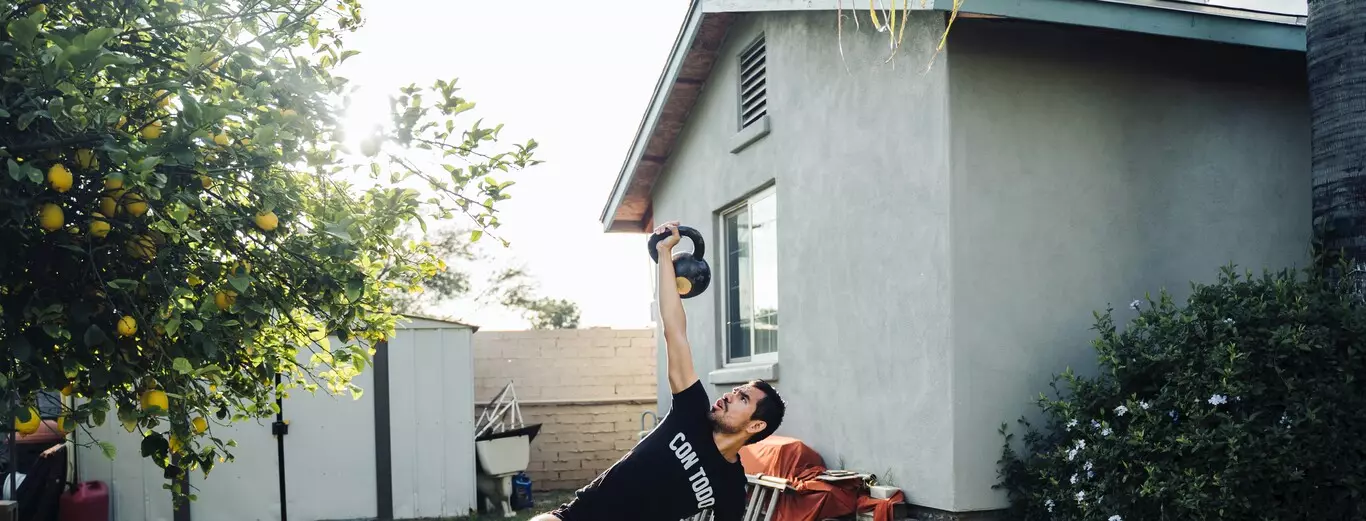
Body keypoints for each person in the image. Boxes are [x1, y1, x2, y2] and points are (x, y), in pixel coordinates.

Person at [533, 220, 786, 521]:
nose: (729, 396)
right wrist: (665, 254)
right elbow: (674, 331)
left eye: (742, 398)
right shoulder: (691, 412)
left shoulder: (730, 487)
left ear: (755, 426)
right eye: (733, 391)